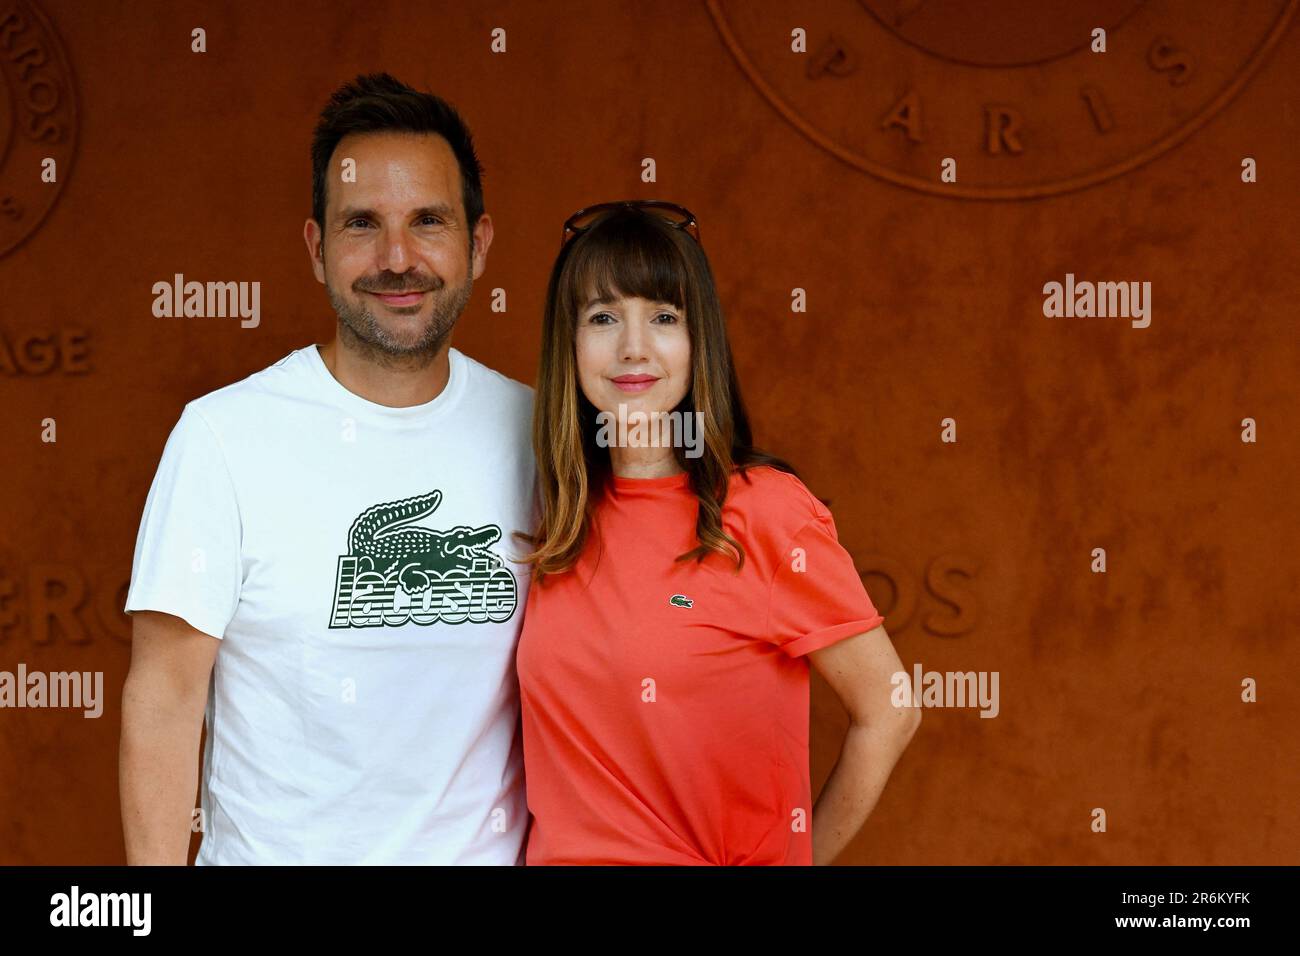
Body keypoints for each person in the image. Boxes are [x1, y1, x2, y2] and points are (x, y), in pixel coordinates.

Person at [119, 73, 535, 864]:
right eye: (362, 224)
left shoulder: (538, 435)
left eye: (428, 221)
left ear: (478, 243)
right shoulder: (222, 438)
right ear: (317, 248)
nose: (397, 257)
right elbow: (165, 701)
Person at [516, 201, 921, 865]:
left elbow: (893, 709)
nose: (633, 346)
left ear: (699, 340)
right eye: (603, 317)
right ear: (571, 343)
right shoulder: (555, 516)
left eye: (663, 317)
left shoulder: (764, 513)